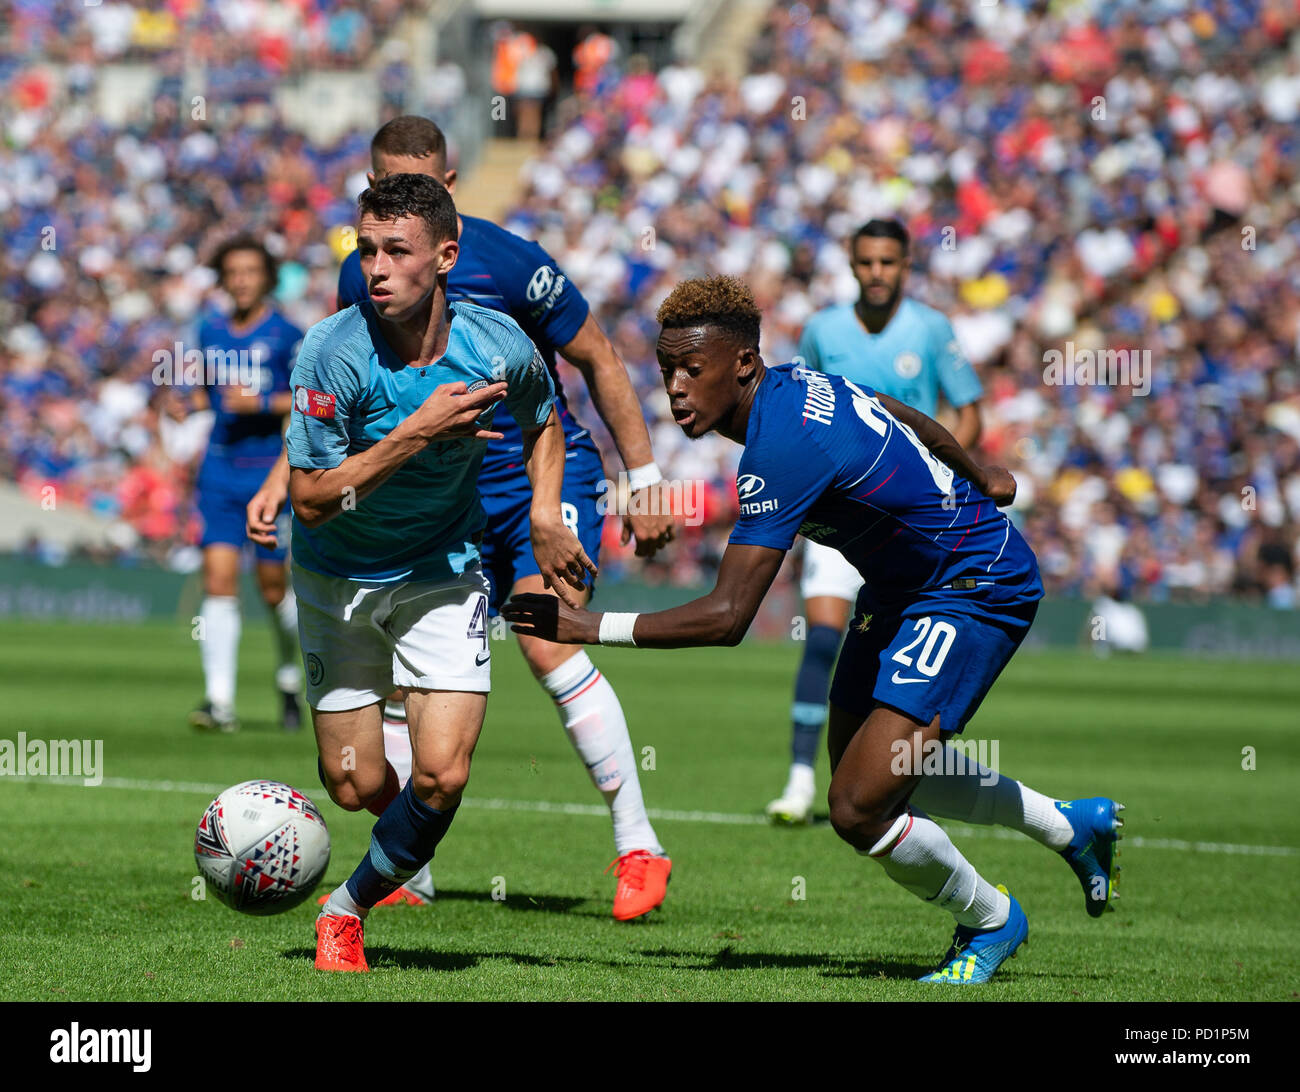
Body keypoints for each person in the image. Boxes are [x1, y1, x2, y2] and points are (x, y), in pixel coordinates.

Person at [504, 276, 1124, 984]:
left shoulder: (779, 448)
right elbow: (894, 410)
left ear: (742, 364)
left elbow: (728, 616)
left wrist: (585, 626)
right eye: (667, 369)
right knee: (877, 778)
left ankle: (990, 922)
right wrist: (975, 468)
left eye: (691, 371)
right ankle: (1072, 827)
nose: (674, 388)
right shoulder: (796, 384)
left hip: (971, 583)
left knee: (858, 809)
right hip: (902, 590)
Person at [249, 116, 676, 920]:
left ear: (447, 192)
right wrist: (286, 478)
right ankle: (407, 858)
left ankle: (637, 842)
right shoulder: (363, 274)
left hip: (532, 476)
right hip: (432, 485)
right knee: (389, 724)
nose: (381, 250)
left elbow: (596, 360)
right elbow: (336, 411)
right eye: (377, 193)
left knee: (547, 639)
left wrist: (643, 479)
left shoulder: (512, 264)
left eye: (411, 191)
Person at [289, 173, 590, 972]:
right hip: (337, 575)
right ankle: (399, 849)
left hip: (441, 570)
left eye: (397, 251)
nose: (375, 268)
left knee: (443, 773)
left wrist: (543, 516)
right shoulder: (331, 351)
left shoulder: (496, 342)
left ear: (446, 256)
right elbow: (314, 500)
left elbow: (546, 422)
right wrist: (414, 435)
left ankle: (346, 909)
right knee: (352, 781)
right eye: (367, 249)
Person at [768, 218, 985, 824]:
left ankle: (886, 778)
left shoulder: (932, 329)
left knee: (896, 656)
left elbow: (968, 413)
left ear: (906, 265)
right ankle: (800, 780)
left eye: (888, 263)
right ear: (852, 264)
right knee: (821, 642)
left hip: (909, 524)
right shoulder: (822, 329)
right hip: (839, 519)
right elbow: (799, 412)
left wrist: (944, 478)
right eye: (866, 263)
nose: (877, 274)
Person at [189, 236, 303, 734]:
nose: (240, 280)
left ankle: (289, 676)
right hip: (218, 469)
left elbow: (309, 399)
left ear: (267, 278)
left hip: (267, 475)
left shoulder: (287, 334)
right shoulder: (208, 331)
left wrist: (259, 403)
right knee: (218, 582)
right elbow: (203, 393)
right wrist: (188, 403)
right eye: (232, 272)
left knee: (273, 588)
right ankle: (220, 702)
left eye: (249, 271)